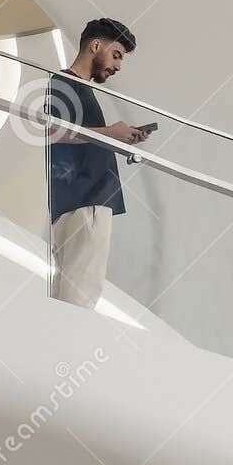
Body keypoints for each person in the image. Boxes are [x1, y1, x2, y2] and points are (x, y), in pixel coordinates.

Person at [45, 18, 150, 308]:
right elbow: (53, 131)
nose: (118, 66)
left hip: (84, 201)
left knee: (74, 288)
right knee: (80, 292)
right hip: (85, 201)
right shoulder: (65, 82)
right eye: (117, 55)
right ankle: (67, 348)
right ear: (95, 45)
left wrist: (117, 138)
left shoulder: (77, 87)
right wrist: (110, 133)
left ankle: (61, 344)